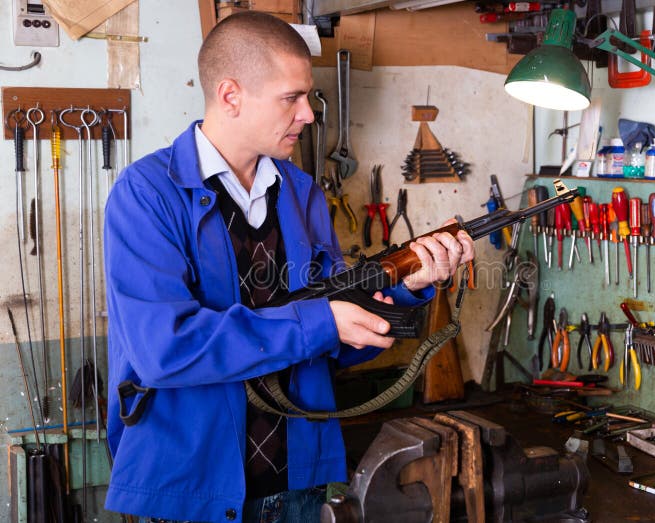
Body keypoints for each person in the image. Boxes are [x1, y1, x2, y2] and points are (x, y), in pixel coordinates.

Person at [103, 11, 474, 523]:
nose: (308, 114)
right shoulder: (147, 195)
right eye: (291, 98)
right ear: (231, 95)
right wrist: (323, 321)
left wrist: (405, 286)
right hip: (191, 492)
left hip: (301, 481)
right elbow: (163, 350)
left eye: (308, 98)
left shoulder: (300, 193)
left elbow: (324, 344)